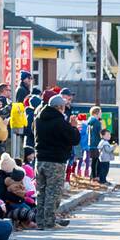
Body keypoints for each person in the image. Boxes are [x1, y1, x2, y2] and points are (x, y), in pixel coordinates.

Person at [34, 94, 78, 229]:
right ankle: (50, 222)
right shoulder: (59, 122)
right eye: (64, 107)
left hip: (40, 159)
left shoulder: (38, 119)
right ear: (59, 107)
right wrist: (73, 126)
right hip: (55, 161)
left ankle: (40, 221)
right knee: (53, 192)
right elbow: (74, 139)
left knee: (41, 192)